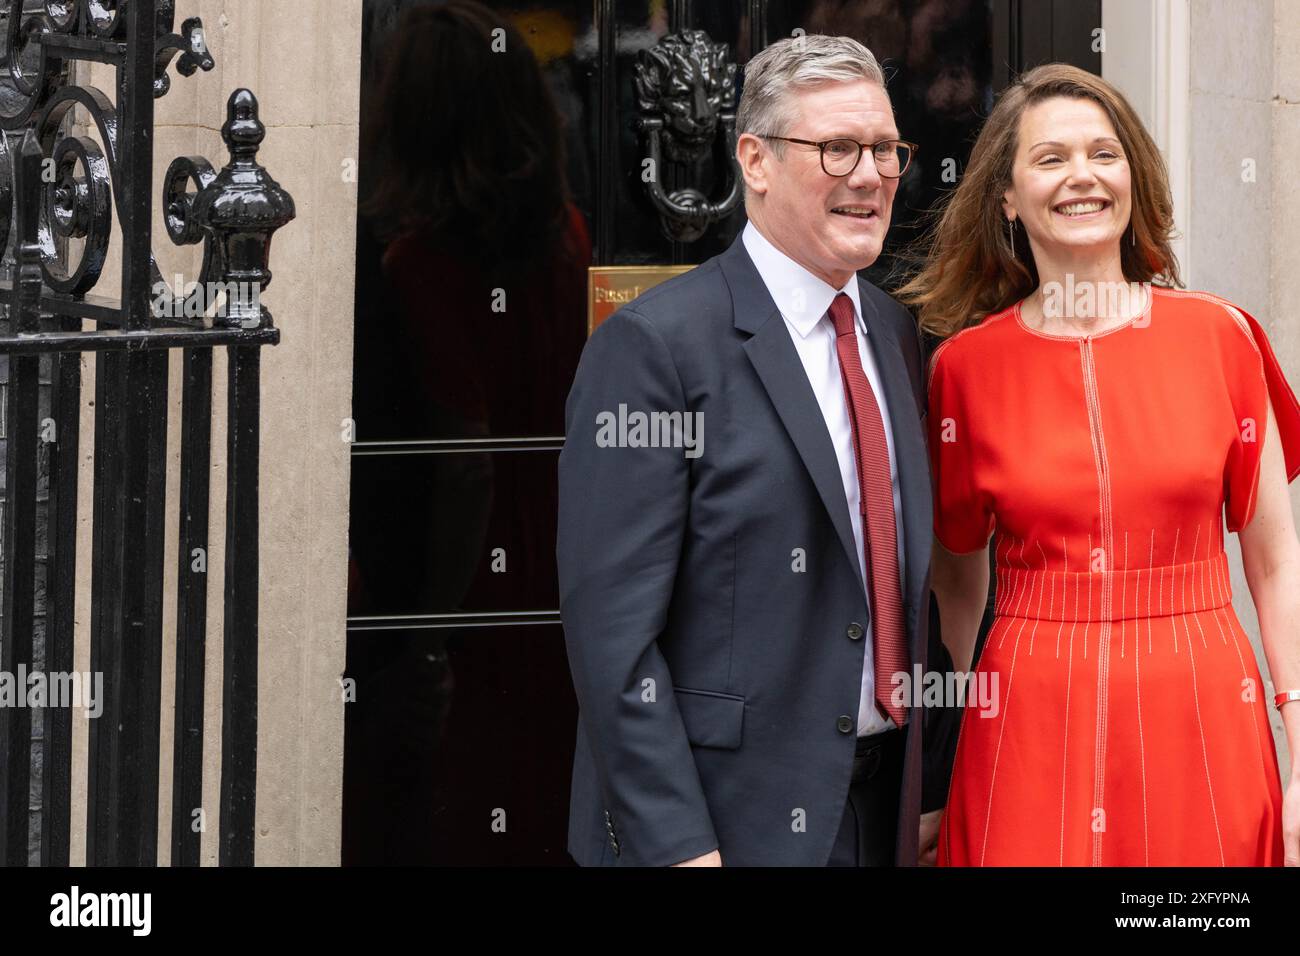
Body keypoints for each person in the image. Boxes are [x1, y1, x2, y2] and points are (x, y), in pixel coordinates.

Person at [558, 34, 959, 867]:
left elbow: (895, 583)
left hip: (878, 812)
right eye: (838, 147)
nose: (870, 174)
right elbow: (611, 636)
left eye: (886, 149)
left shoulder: (892, 332)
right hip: (725, 827)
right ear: (757, 160)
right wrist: (677, 848)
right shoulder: (655, 348)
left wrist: (931, 785)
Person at [901, 63, 1300, 866]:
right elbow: (956, 587)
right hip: (1026, 712)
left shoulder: (1224, 337)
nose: (1081, 175)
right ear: (1007, 198)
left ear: (1133, 177)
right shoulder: (963, 370)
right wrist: (935, 771)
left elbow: (1276, 561)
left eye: (1103, 154)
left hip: (1203, 701)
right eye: (1050, 158)